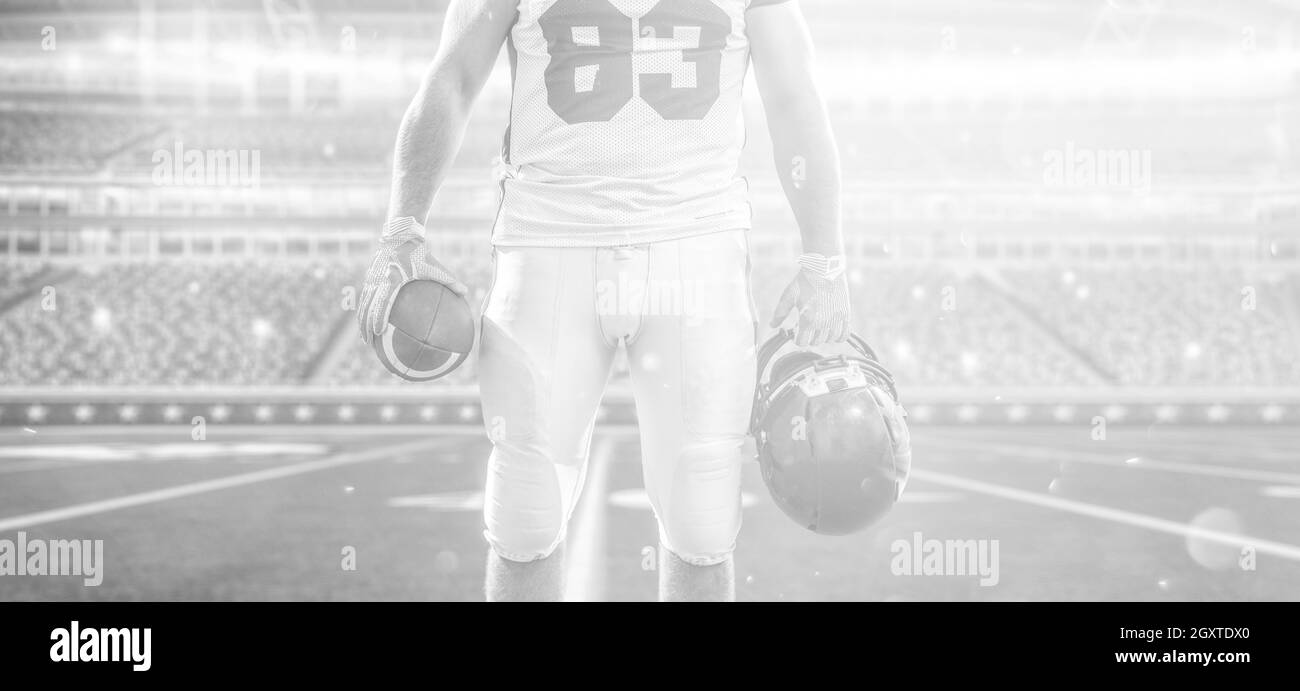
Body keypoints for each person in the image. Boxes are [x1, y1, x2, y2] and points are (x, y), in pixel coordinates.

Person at [358, 0, 850, 602]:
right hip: (548, 242)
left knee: (702, 516)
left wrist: (824, 256)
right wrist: (401, 229)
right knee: (525, 514)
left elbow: (794, 97)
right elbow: (454, 77)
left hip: (694, 245)